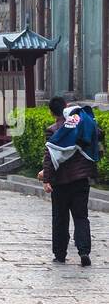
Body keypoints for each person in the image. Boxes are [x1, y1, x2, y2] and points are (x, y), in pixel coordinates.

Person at [39, 98, 99, 266]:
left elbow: (49, 156)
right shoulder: (82, 124)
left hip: (60, 182)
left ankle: (60, 254)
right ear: (67, 107)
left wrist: (46, 179)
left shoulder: (53, 130)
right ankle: (84, 251)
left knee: (60, 218)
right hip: (81, 180)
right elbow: (98, 134)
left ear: (51, 113)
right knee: (81, 217)